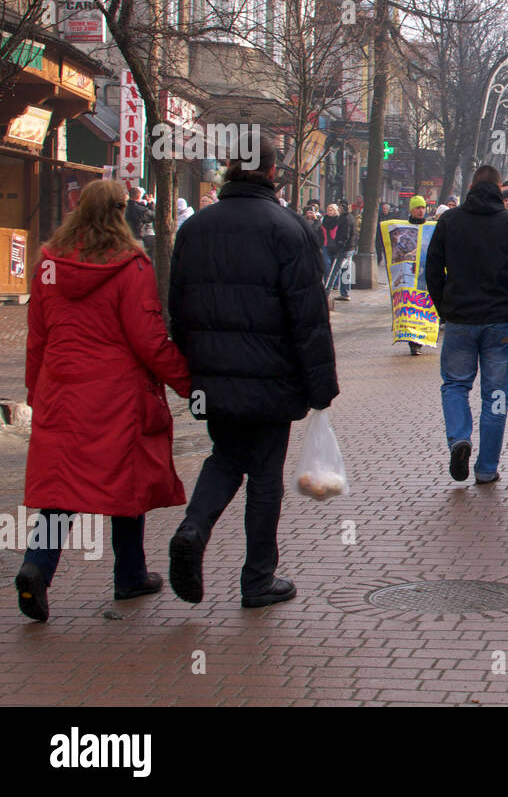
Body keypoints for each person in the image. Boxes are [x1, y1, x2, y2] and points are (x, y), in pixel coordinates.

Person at [168, 140, 338, 608]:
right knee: (265, 474)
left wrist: (190, 368)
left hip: (214, 375)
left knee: (225, 457)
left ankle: (193, 529)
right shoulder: (290, 229)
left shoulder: (195, 228)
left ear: (228, 169)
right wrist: (320, 386)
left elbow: (177, 307)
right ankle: (258, 577)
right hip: (271, 376)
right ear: (270, 171)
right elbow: (309, 317)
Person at [14, 180, 191, 622]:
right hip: (116, 396)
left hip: (61, 388)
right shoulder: (131, 266)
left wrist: (37, 391)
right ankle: (129, 575)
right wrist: (188, 382)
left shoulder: (49, 264)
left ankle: (36, 567)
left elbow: (37, 336)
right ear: (121, 212)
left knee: (59, 491)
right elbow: (149, 340)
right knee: (124, 485)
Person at [425, 165, 508, 484]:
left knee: (456, 385)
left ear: (471, 185)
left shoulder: (449, 221)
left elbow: (432, 269)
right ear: (500, 188)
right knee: (496, 394)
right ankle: (487, 468)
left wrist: (444, 307)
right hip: (499, 321)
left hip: (459, 319)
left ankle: (459, 438)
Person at [400, 196, 430, 355]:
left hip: (424, 275)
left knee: (423, 306)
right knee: (411, 307)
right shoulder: (402, 228)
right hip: (408, 274)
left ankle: (421, 338)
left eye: (423, 207)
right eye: (418, 207)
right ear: (411, 209)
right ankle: (413, 341)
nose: (421, 210)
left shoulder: (431, 228)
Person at [324, 200, 356, 301]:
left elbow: (345, 234)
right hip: (350, 247)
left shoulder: (345, 219)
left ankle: (327, 292)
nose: (338, 209)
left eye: (339, 208)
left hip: (345, 248)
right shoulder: (351, 217)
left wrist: (340, 246)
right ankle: (345, 293)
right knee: (346, 271)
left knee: (335, 270)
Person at [375, 201, 393, 269]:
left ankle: (387, 261)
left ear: (388, 209)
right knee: (378, 248)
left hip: (387, 235)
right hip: (379, 235)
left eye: (385, 208)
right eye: (382, 208)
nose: (383, 210)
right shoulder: (379, 215)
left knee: (387, 249)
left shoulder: (391, 216)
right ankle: (379, 259)